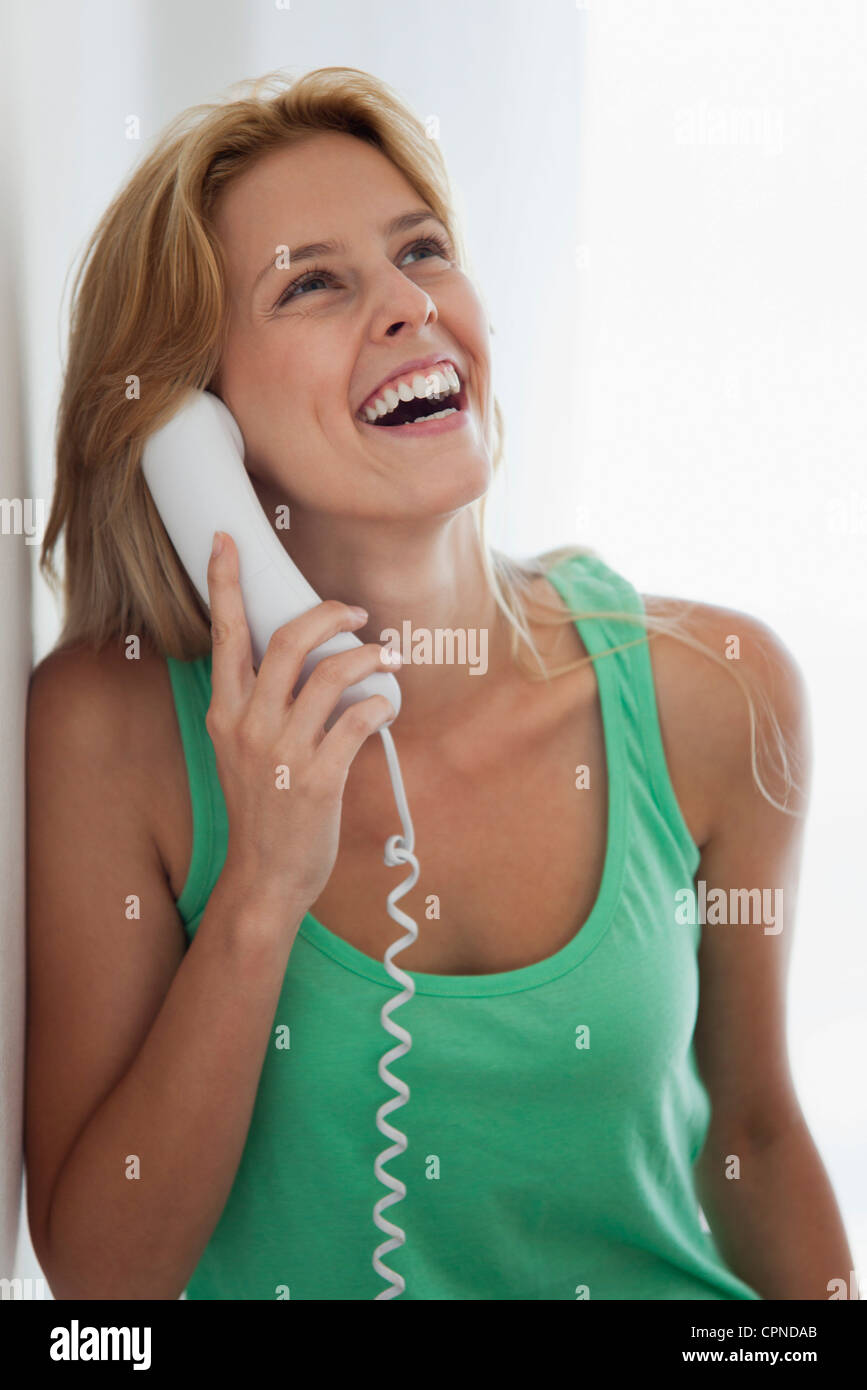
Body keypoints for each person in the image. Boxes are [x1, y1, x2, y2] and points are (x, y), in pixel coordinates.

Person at [25, 66, 855, 1300]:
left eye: (423, 252)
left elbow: (758, 1136)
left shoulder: (712, 691)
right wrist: (262, 886)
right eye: (313, 281)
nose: (413, 304)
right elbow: (103, 1281)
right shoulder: (110, 730)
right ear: (185, 430)